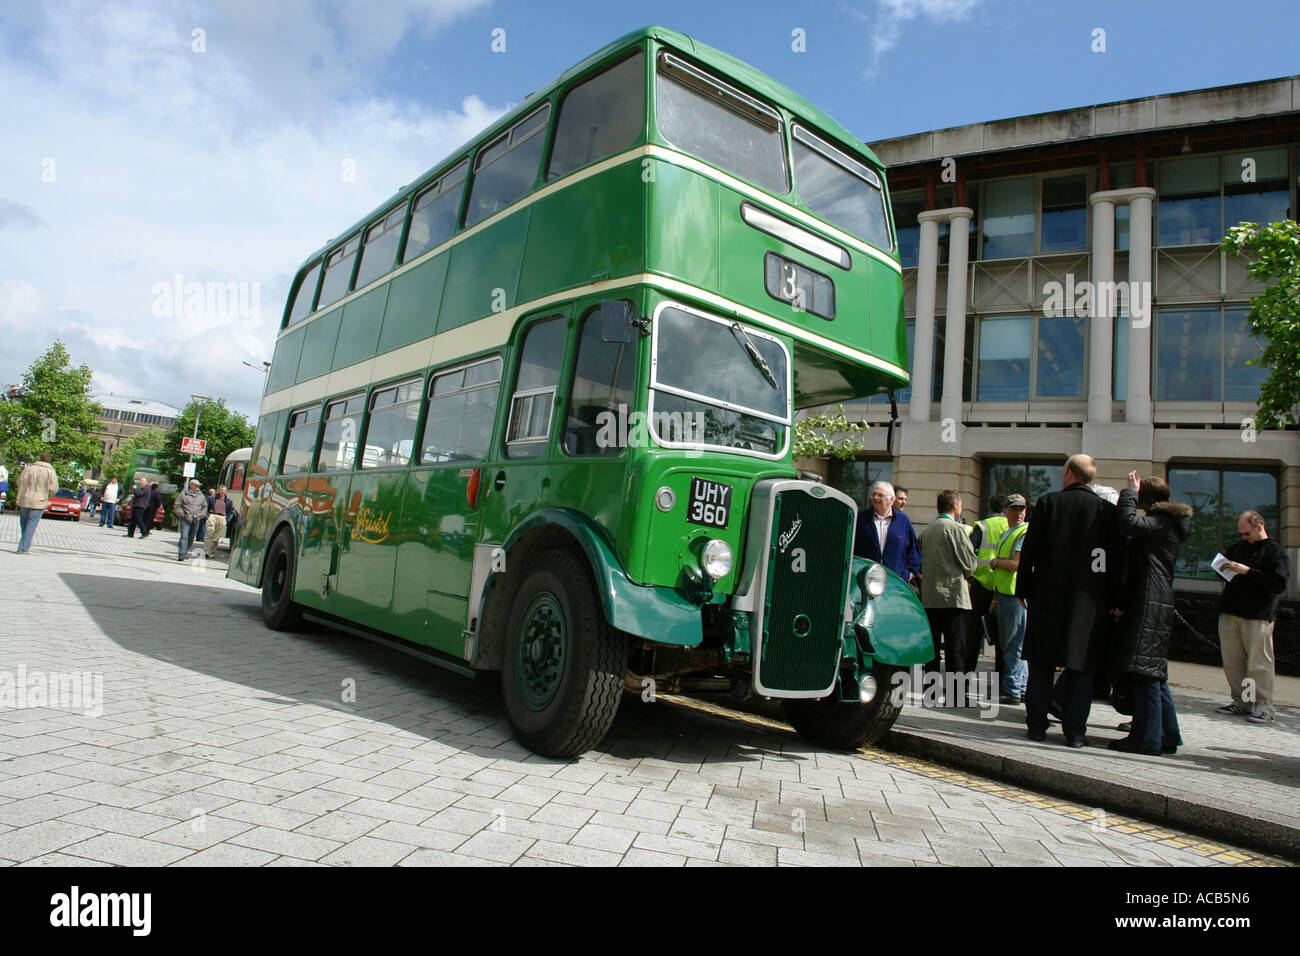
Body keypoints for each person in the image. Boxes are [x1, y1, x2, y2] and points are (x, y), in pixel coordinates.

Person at [1015, 454, 1120, 747]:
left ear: (1069, 474)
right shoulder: (1105, 511)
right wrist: (1114, 598)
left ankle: (1036, 726)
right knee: (1082, 666)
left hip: (1047, 596)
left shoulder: (1048, 504)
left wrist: (1022, 588)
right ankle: (1075, 732)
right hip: (1090, 600)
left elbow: (1030, 551)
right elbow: (1113, 561)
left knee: (1041, 664)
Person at [1107, 473, 1190, 754]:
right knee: (1154, 673)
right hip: (1154, 601)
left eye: (1139, 494)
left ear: (1147, 497)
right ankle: (1167, 735)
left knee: (1144, 673)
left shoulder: (1161, 522)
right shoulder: (1166, 523)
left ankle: (1146, 739)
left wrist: (1128, 493)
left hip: (1150, 603)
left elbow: (1128, 523)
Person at [1217, 510, 1289, 724]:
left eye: (1247, 533)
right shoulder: (1239, 548)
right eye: (1241, 534)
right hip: (1231, 610)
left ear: (1259, 527)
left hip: (1258, 615)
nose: (1243, 538)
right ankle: (1243, 701)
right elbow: (1224, 567)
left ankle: (1264, 705)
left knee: (1258, 663)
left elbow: (1279, 583)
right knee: (1233, 661)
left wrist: (1247, 571)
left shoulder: (1275, 552)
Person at [919, 489, 978, 680]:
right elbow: (970, 563)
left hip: (929, 596)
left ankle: (931, 691)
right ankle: (955, 694)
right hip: (953, 596)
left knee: (933, 648)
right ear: (954, 506)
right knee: (955, 648)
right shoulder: (955, 529)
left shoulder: (927, 531)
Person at [988, 494, 1030, 704]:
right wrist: (995, 599)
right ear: (1005, 510)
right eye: (1014, 509)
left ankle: (1013, 688)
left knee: (1013, 644)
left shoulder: (1024, 532)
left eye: (1022, 508)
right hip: (1006, 594)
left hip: (1015, 596)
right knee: (1012, 643)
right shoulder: (1008, 532)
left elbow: (1017, 564)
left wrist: (996, 562)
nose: (1019, 512)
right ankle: (1018, 686)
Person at [963, 495, 1006, 673]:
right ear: (1006, 509)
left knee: (973, 637)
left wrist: (970, 576)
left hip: (980, 587)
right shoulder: (1013, 527)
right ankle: (1000, 683)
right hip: (1003, 587)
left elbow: (968, 552)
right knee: (1002, 638)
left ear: (990, 508)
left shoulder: (982, 526)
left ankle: (964, 678)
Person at [853, 480, 921, 584]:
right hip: (866, 581)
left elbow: (913, 550)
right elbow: (853, 547)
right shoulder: (861, 518)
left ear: (891, 499)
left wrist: (910, 574)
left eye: (880, 495)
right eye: (874, 494)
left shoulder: (903, 521)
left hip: (895, 583)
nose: (875, 498)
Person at [15, 452, 60, 554]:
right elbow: (54, 488)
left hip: (25, 499)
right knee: (31, 524)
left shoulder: (29, 469)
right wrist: (48, 495)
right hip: (39, 500)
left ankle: (24, 544)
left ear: (39, 458)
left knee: (24, 523)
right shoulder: (50, 472)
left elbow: (19, 481)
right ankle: (23, 547)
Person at [175, 479, 209, 561]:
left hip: (196, 519)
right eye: (196, 485)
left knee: (191, 538)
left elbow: (205, 507)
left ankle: (185, 551)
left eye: (198, 486)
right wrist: (182, 515)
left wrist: (200, 515)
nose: (198, 487)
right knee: (184, 537)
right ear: (191, 485)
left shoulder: (201, 496)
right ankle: (181, 554)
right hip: (185, 519)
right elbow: (177, 505)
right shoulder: (183, 494)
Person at [204, 485, 232, 559]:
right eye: (221, 490)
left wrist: (228, 518)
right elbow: (206, 507)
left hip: (222, 517)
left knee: (217, 537)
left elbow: (231, 510)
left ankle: (212, 552)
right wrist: (207, 516)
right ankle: (207, 551)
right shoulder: (212, 498)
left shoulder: (228, 500)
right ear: (218, 491)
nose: (223, 492)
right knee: (210, 533)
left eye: (224, 491)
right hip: (212, 515)